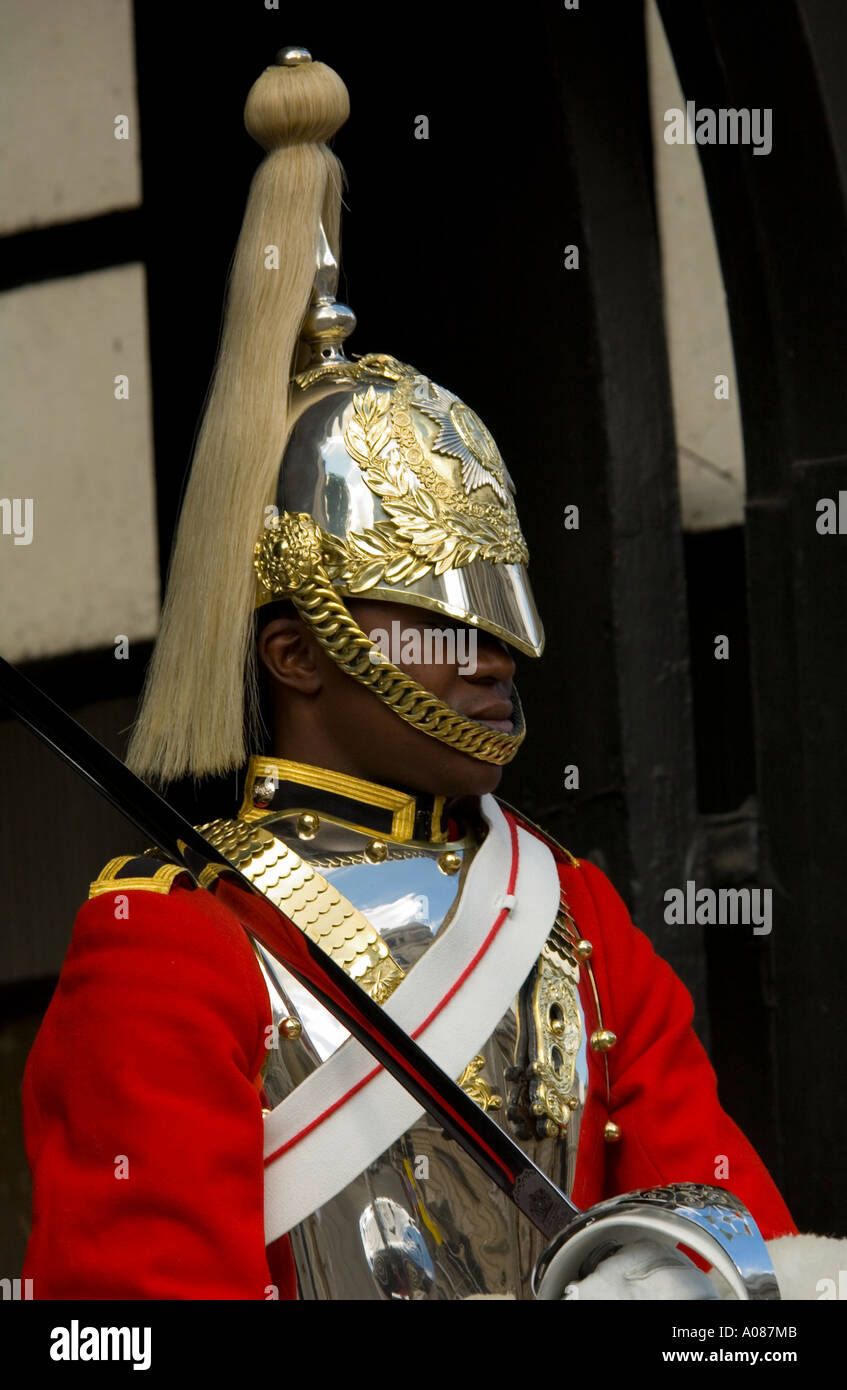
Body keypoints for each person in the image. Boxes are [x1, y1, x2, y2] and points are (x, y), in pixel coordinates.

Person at [20, 47, 839, 1302]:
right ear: (295, 653)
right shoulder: (172, 936)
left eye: (494, 617)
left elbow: (729, 1230)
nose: (490, 660)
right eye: (434, 623)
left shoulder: (570, 915)